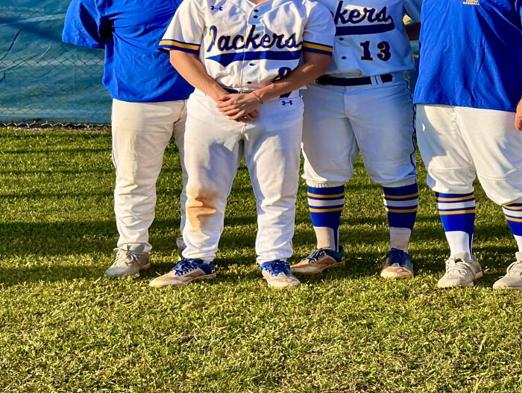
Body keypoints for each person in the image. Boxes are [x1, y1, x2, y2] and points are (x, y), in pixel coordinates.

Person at [151, 0, 336, 289]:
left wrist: (261, 96)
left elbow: (318, 63)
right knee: (202, 188)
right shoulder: (202, 2)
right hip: (213, 104)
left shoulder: (308, 7)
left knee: (277, 189)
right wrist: (221, 96)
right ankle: (198, 258)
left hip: (277, 105)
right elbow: (180, 55)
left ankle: (275, 259)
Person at [412, 0, 522, 289]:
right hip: (435, 90)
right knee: (448, 179)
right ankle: (461, 258)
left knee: (506, 179)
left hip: (495, 92)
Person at [289, 0, 424, 281]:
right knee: (322, 171)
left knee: (395, 169)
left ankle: (398, 251)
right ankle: (327, 248)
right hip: (320, 88)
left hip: (381, 85)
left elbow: (432, 21)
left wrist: (398, 34)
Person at [61, 0, 195, 280]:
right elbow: (90, 32)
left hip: (205, 95)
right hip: (137, 96)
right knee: (134, 178)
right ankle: (133, 248)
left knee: (202, 179)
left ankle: (195, 249)